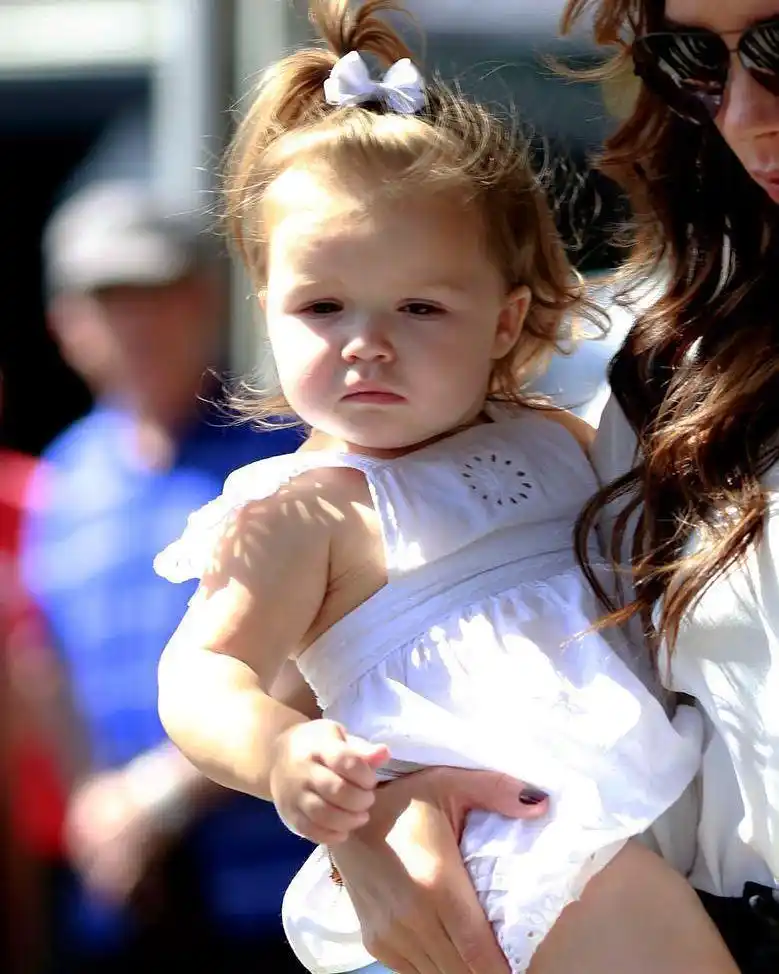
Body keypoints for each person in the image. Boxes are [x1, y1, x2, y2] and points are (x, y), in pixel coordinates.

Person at [152, 4, 737, 973]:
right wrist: (281, 755)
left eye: (419, 306)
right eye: (320, 306)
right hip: (483, 867)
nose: (364, 341)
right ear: (266, 309)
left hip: (628, 822)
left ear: (505, 321)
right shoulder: (306, 507)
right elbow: (201, 674)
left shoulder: (564, 441)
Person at [21, 181, 309, 973]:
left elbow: (320, 652)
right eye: (112, 300)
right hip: (125, 904)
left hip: (280, 898)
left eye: (161, 293)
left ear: (207, 300)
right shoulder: (64, 479)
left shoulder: (286, 455)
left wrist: (164, 795)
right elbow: (47, 660)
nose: (140, 323)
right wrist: (95, 803)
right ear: (66, 326)